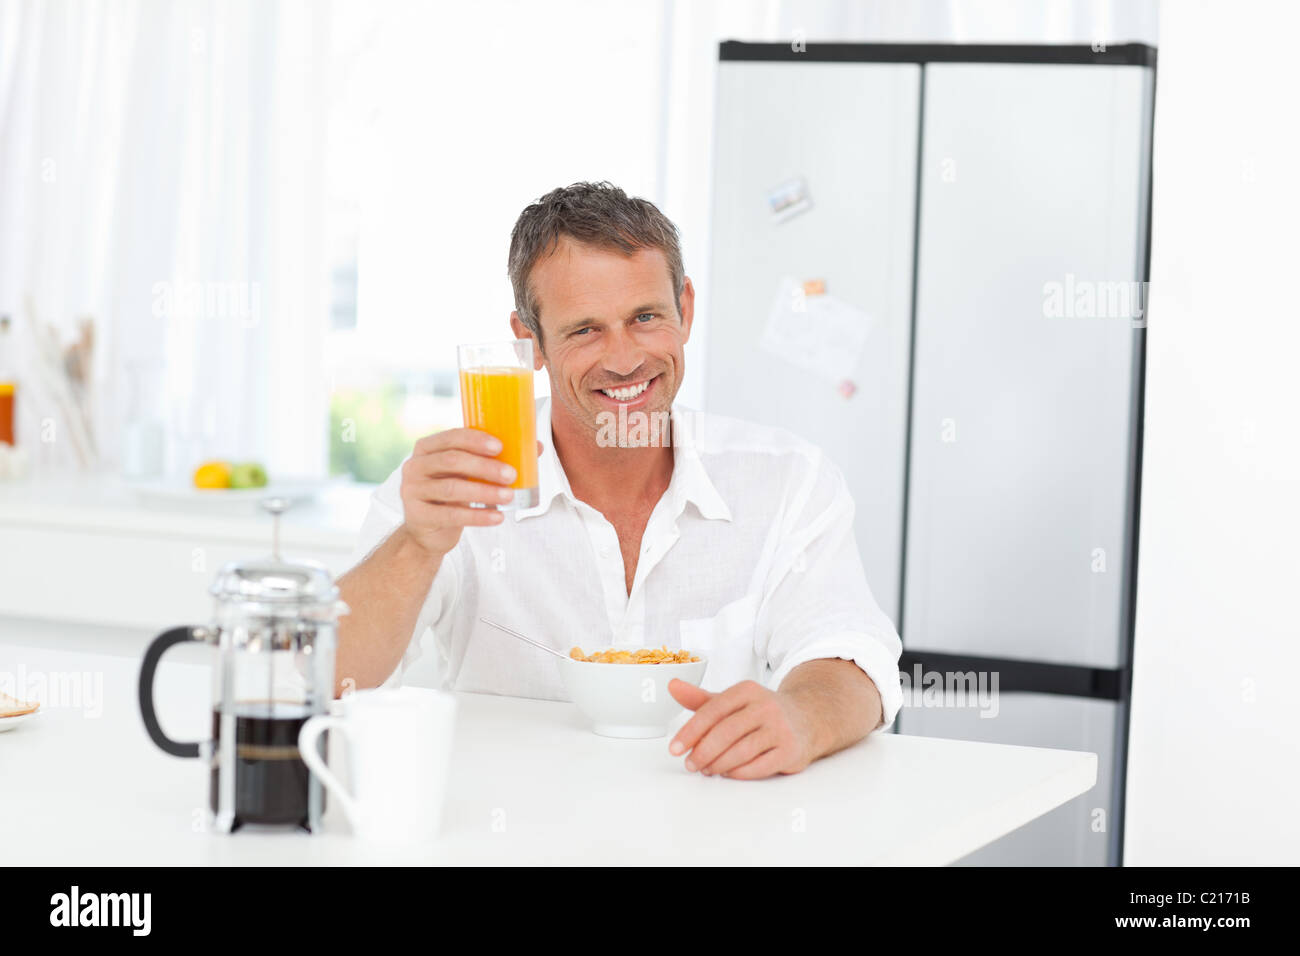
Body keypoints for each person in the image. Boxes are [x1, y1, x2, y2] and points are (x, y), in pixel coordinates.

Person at [335, 182, 902, 780]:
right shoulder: (450, 490)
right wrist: (416, 546)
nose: (624, 358)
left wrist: (803, 718)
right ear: (529, 342)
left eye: (646, 316)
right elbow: (331, 683)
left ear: (685, 308)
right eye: (585, 330)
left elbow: (852, 656)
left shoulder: (788, 479)